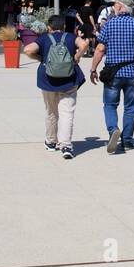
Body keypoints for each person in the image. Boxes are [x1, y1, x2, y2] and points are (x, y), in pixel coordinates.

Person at [89, 0, 134, 154]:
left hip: (113, 72)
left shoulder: (109, 24)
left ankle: (113, 130)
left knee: (110, 105)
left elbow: (100, 49)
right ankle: (127, 141)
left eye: (116, 4)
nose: (114, 7)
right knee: (130, 107)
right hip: (132, 72)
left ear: (122, 6)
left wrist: (93, 69)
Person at [38, 15, 87, 160]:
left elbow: (28, 49)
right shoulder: (71, 37)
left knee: (51, 112)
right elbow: (84, 45)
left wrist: (40, 59)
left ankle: (51, 142)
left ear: (49, 27)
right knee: (67, 113)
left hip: (48, 81)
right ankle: (66, 146)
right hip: (69, 80)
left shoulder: (44, 38)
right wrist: (77, 57)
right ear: (64, 26)